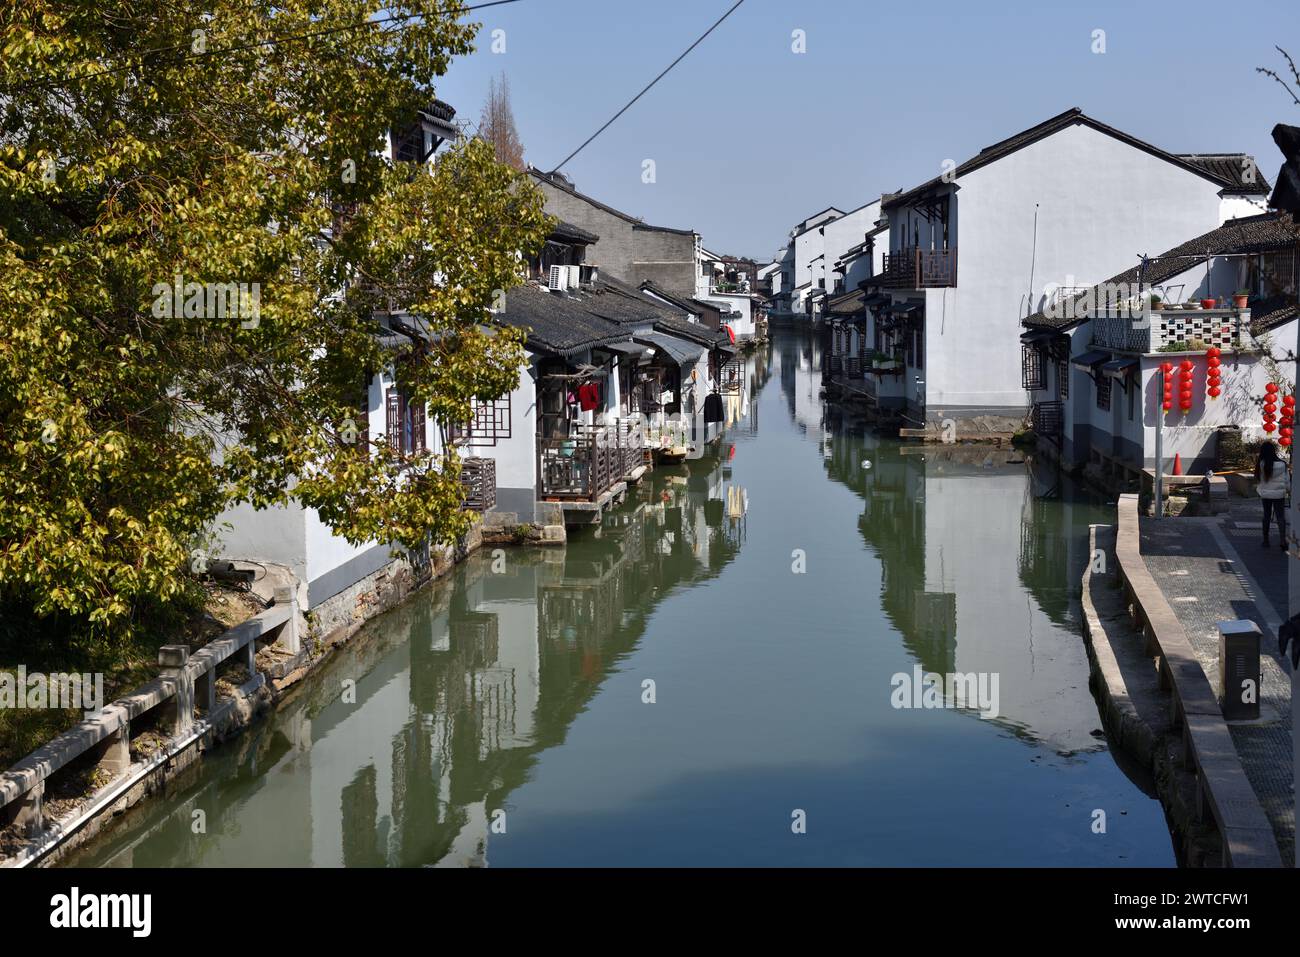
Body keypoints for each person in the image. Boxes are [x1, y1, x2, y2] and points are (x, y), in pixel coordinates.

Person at [1255, 440, 1289, 549]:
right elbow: (1287, 480)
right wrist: (1288, 490)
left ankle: (1265, 540)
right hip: (1279, 494)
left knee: (1266, 516)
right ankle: (1283, 540)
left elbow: (1259, 479)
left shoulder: (1262, 464)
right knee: (1280, 516)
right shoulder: (1283, 464)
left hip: (1266, 494)